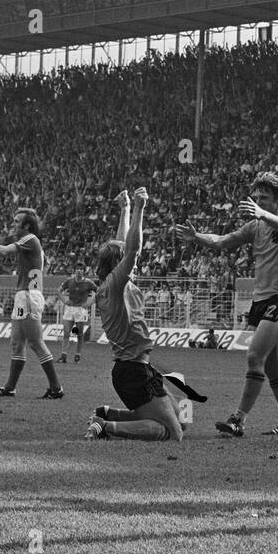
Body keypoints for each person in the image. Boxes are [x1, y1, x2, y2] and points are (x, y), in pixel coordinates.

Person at [174, 172, 278, 436]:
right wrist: (197, 237)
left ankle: (238, 420)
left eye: (264, 198)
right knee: (272, 367)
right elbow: (222, 241)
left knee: (254, 355)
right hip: (261, 298)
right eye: (256, 199)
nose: (259, 202)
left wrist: (262, 213)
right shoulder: (255, 227)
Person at [86, 188, 185, 441]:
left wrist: (125, 208)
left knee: (183, 420)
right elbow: (131, 250)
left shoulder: (111, 284)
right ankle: (105, 427)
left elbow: (123, 245)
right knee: (174, 434)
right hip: (132, 371)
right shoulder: (115, 285)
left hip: (137, 367)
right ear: (118, 265)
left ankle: (108, 415)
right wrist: (140, 208)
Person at [0, 207, 64, 398]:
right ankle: (10, 387)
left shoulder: (30, 239)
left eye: (15, 221)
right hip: (24, 296)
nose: (12, 224)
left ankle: (56, 388)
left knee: (36, 343)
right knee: (17, 343)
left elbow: (4, 251)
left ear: (26, 225)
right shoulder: (30, 241)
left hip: (29, 295)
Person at [57, 267, 98, 364]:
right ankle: (63, 356)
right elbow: (58, 291)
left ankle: (77, 355)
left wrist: (90, 303)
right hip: (70, 309)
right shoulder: (69, 281)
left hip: (81, 310)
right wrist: (64, 300)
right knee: (66, 333)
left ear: (83, 271)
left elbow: (99, 291)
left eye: (81, 269)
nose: (79, 270)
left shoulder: (88, 282)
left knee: (79, 334)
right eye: (77, 269)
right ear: (74, 270)